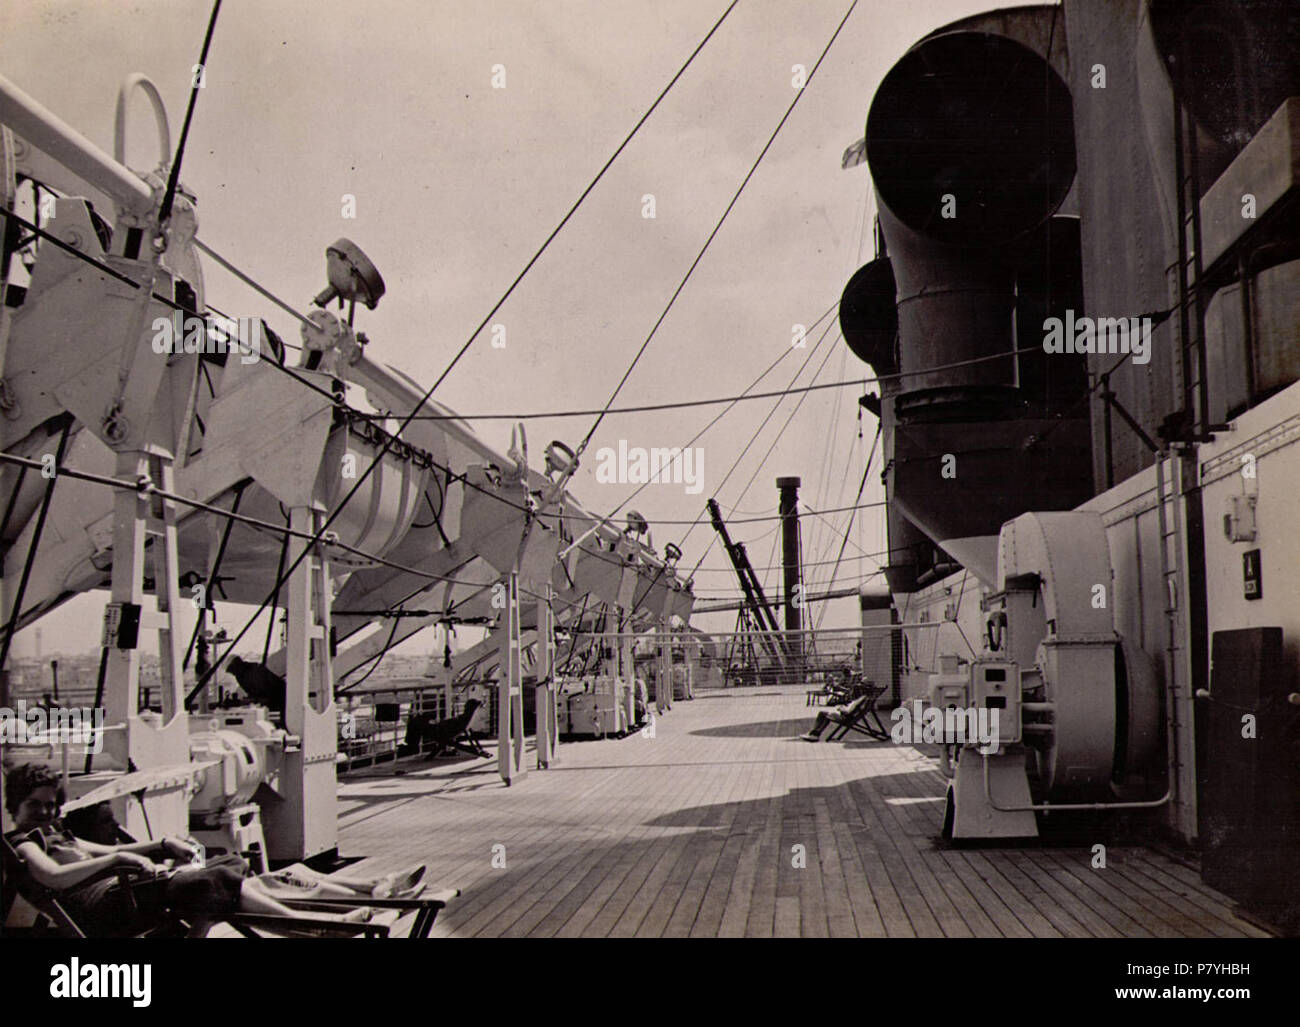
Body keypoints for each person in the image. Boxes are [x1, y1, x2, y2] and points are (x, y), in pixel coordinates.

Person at [3, 763, 375, 937]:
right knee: (218, 880)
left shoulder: (59, 835)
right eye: (35, 805)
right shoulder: (22, 842)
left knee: (229, 864)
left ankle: (318, 925)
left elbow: (100, 850)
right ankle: (318, 926)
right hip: (107, 909)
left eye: (51, 804)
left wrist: (164, 844)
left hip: (125, 894)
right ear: (15, 805)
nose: (45, 812)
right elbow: (51, 876)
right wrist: (118, 859)